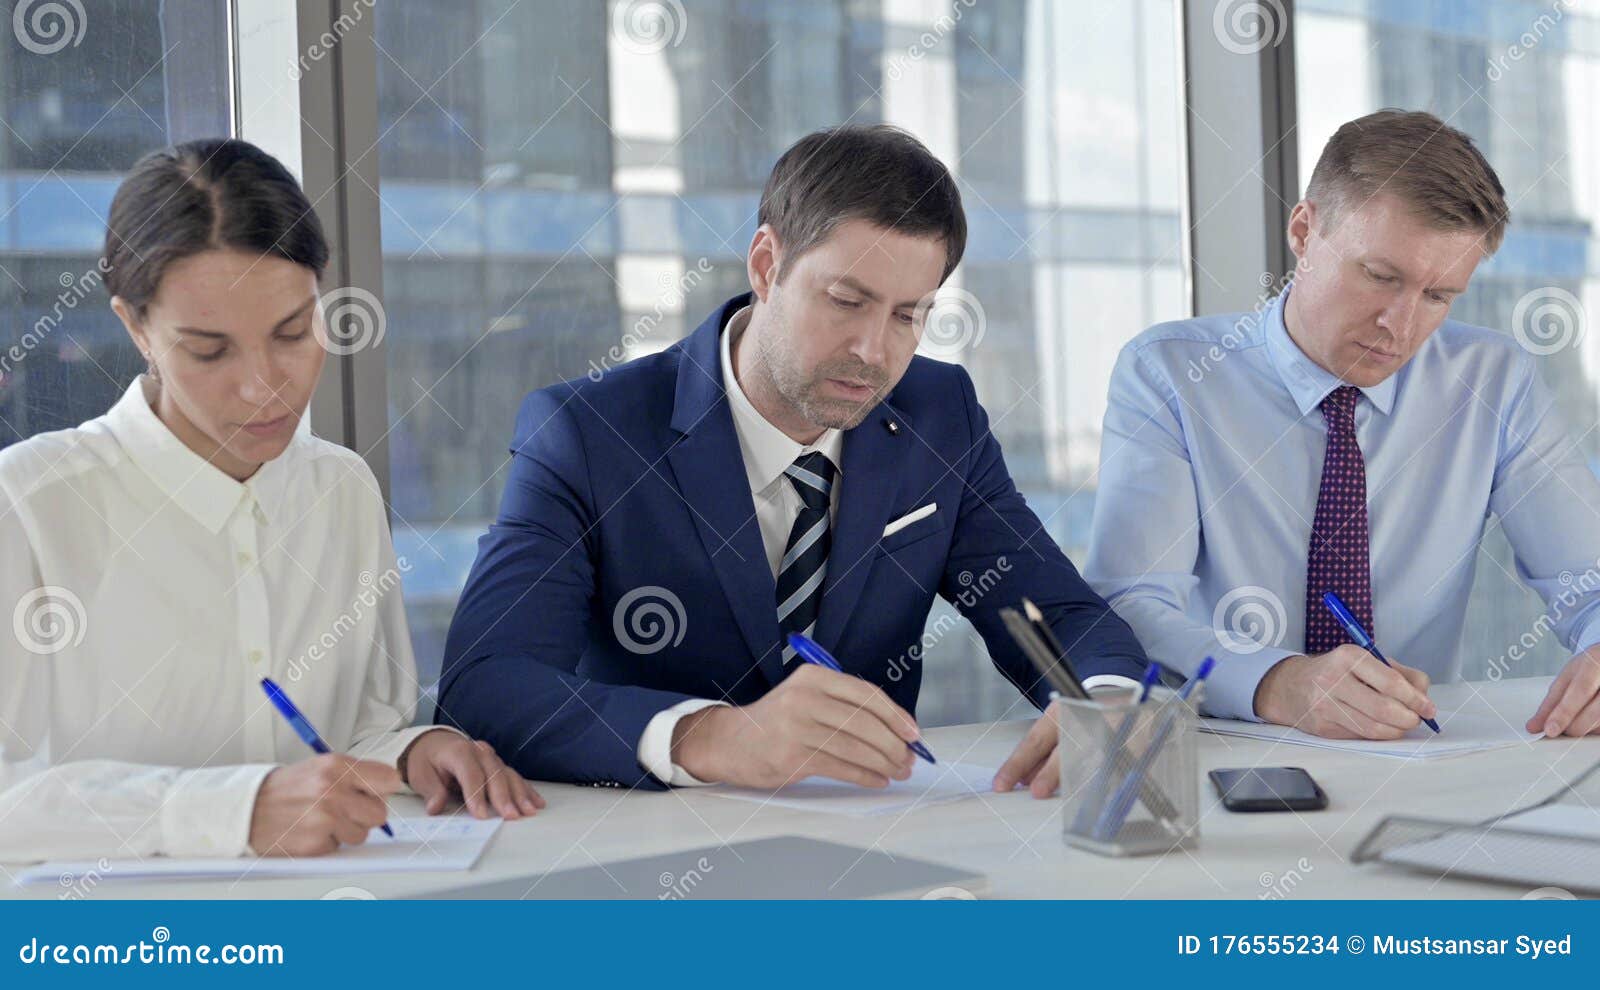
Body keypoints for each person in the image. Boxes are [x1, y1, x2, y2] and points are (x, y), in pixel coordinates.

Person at [438, 124, 1149, 798]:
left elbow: (1054, 610)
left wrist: (1107, 700)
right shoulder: (588, 432)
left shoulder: (940, 413)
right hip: (650, 845)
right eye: (847, 300)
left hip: (874, 835)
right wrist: (712, 737)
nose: (874, 351)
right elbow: (489, 683)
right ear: (766, 266)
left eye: (908, 315)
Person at [0, 138, 542, 863]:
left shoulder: (339, 489)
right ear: (135, 327)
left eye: (294, 332)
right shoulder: (30, 504)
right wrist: (230, 809)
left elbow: (354, 731)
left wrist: (416, 749)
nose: (266, 385)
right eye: (210, 350)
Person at [1086, 109, 1600, 740]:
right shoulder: (1169, 374)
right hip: (1222, 753)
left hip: (1418, 754)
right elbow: (1128, 606)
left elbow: (1588, 580)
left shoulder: (1494, 380)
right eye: (1381, 277)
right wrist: (1277, 682)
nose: (1401, 325)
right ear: (1304, 231)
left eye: (1438, 296)